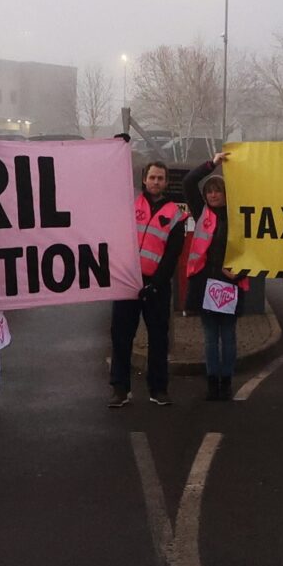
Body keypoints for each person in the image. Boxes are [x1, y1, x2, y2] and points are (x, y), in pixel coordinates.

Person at [109, 161, 187, 408]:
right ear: (144, 179)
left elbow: (173, 253)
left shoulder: (175, 213)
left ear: (166, 182)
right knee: (121, 337)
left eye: (161, 178)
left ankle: (158, 389)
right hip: (128, 282)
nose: (156, 182)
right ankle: (120, 389)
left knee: (158, 339)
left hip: (157, 286)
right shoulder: (129, 206)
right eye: (152, 177)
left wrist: (156, 283)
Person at [183, 151, 248, 401]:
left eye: (217, 190)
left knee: (228, 336)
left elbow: (252, 249)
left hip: (231, 284)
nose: (213, 194)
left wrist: (238, 271)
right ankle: (212, 382)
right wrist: (212, 163)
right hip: (205, 284)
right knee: (210, 337)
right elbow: (189, 182)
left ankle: (226, 382)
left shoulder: (239, 216)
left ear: (225, 193)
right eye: (209, 191)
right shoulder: (202, 213)